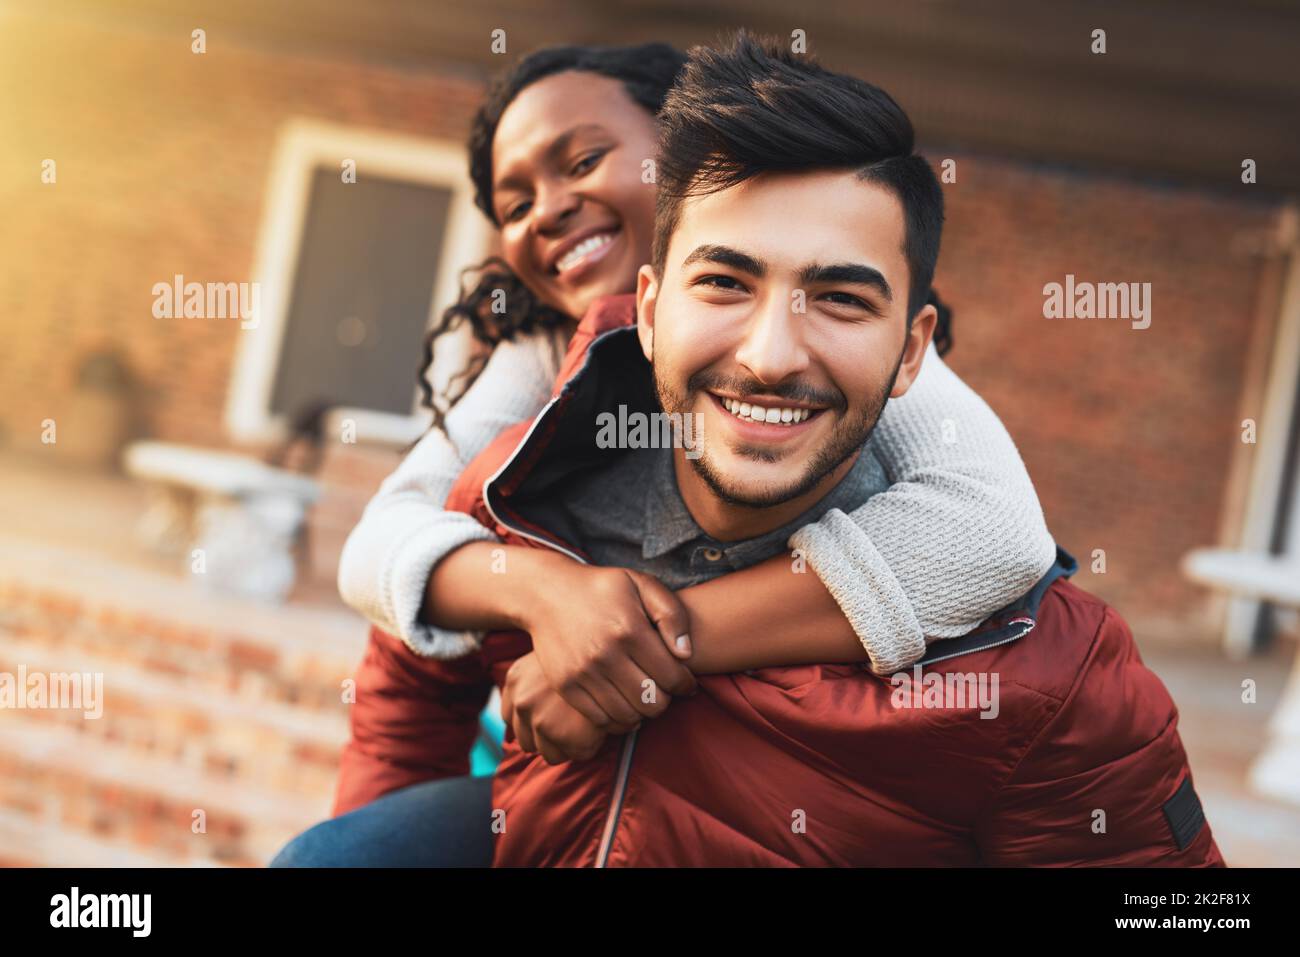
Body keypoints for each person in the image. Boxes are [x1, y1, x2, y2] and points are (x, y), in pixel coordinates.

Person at [274, 33, 1222, 867]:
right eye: (513, 199)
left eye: (584, 160)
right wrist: (541, 592)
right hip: (549, 804)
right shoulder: (527, 435)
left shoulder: (1018, 618)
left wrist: (638, 642)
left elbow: (995, 534)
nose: (547, 210)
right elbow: (393, 577)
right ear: (648, 304)